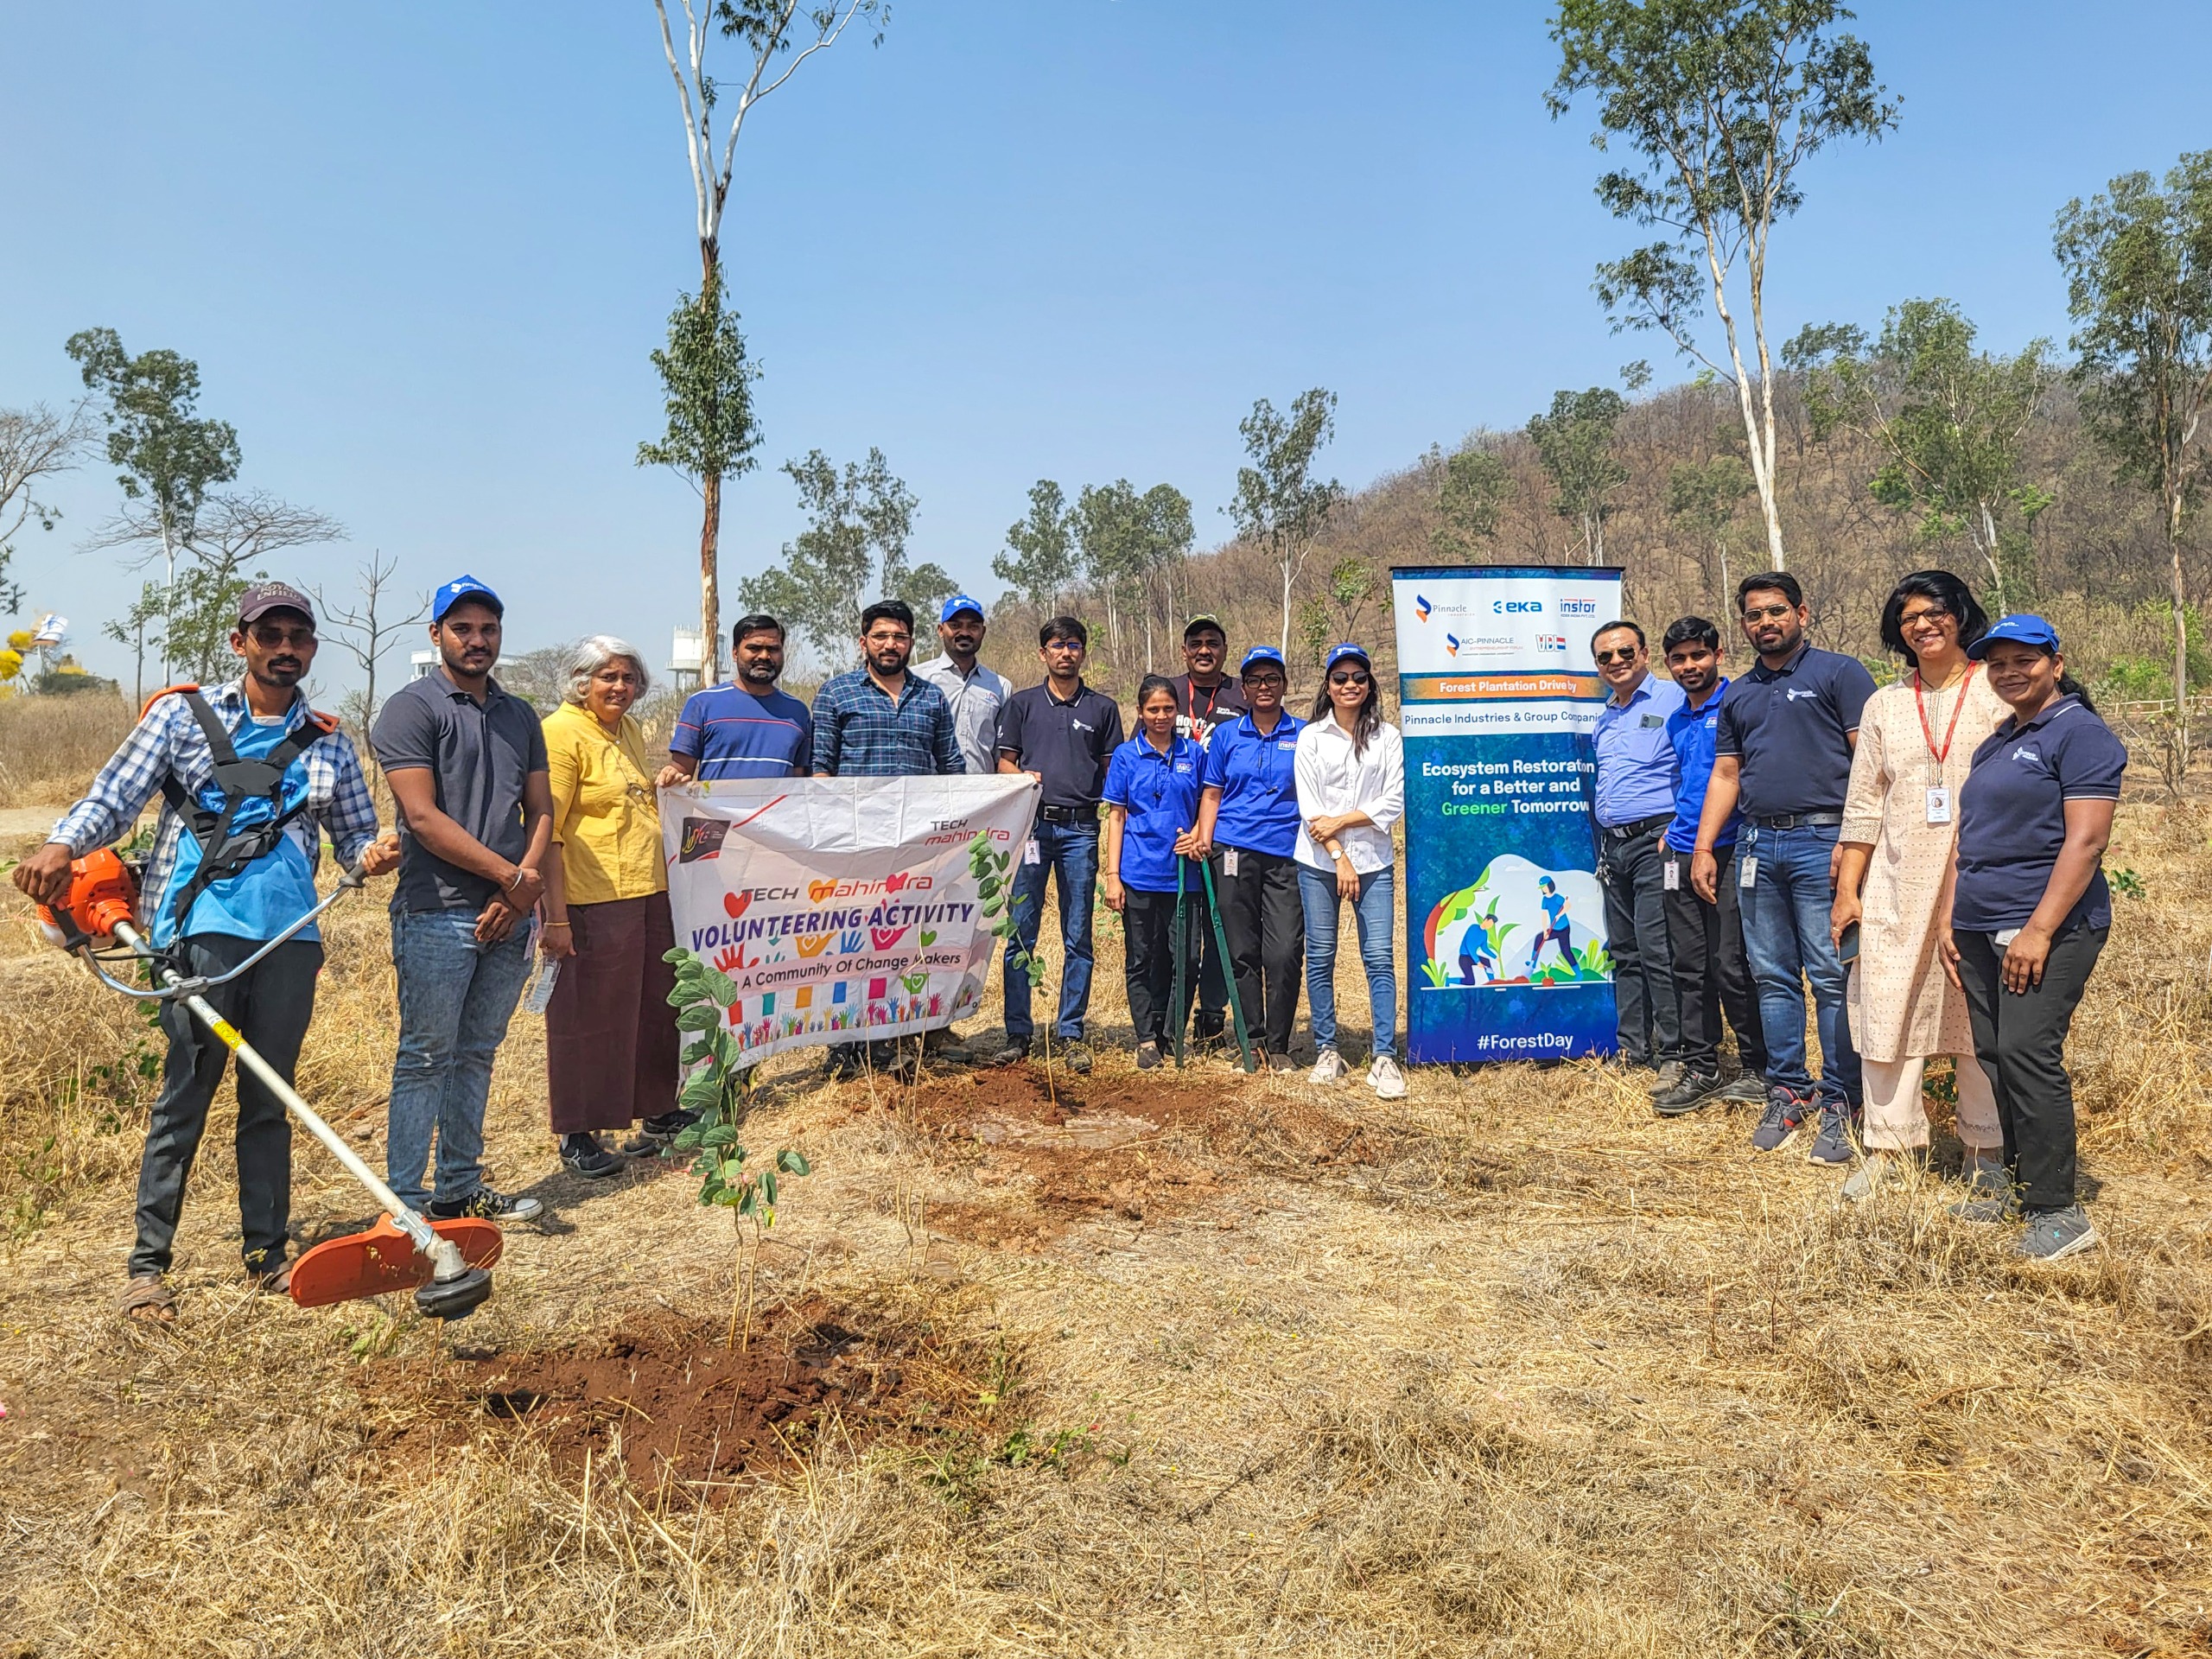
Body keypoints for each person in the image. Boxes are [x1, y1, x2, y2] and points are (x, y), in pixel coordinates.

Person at [14, 582, 396, 1321]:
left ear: (312, 649)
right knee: (186, 1095)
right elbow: (113, 797)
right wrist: (62, 847)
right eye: (270, 634)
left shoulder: (330, 741)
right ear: (240, 642)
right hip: (198, 932)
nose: (285, 648)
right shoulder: (181, 716)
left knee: (270, 1098)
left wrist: (373, 853)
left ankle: (267, 1256)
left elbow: (353, 833)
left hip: (291, 937)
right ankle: (147, 1266)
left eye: (299, 636)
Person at [1939, 616, 2125, 1262]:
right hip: (1980, 922)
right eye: (1998, 663)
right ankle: (2022, 1191)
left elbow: (2087, 841)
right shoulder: (1999, 740)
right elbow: (1971, 835)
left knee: (2027, 1051)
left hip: (2047, 926)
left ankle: (2058, 1211)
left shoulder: (2079, 734)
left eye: (2025, 660)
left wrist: (2039, 930)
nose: (2010, 672)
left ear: (2057, 663)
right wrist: (1950, 919)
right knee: (1994, 1053)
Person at [372, 575, 550, 1224]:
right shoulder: (411, 709)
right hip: (437, 911)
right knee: (425, 1057)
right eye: (463, 629)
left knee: (477, 1053)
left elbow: (541, 812)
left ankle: (458, 1185)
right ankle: (405, 1205)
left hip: (510, 911)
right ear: (436, 634)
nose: (477, 641)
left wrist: (522, 888)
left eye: (488, 630)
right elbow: (422, 819)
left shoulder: (520, 713)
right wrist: (512, 878)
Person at [1830, 573, 2010, 1199]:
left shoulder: (1998, 689)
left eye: (1936, 612)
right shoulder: (1883, 704)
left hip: (1982, 883)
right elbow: (1863, 806)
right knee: (1886, 1010)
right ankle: (1889, 1149)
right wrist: (1848, 890)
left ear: (1961, 616)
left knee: (1975, 1016)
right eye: (1909, 618)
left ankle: (1985, 1149)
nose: (1923, 625)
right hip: (1895, 884)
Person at [1691, 572, 1875, 1166]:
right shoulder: (1739, 694)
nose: (1765, 623)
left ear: (1802, 611)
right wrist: (1703, 847)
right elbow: (1727, 774)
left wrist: (1852, 844)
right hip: (1756, 847)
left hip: (1823, 840)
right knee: (1770, 975)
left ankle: (1842, 1099)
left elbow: (1868, 763)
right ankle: (1788, 1089)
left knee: (1829, 975)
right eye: (1753, 615)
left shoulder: (1839, 674)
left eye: (1776, 611)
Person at [538, 637, 688, 1179]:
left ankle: (658, 1109)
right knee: (588, 1017)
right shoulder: (560, 733)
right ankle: (580, 1132)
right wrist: (554, 916)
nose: (619, 688)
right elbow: (546, 828)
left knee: (655, 1005)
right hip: (587, 898)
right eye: (608, 678)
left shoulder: (623, 728)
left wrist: (663, 783)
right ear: (581, 681)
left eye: (628, 678)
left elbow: (624, 799)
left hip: (647, 890)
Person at [810, 598, 965, 1078]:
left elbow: (952, 768)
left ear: (910, 642)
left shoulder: (931, 698)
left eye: (898, 637)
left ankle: (913, 1030)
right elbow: (821, 773)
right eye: (880, 637)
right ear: (863, 642)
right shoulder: (836, 695)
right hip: (857, 845)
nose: (890, 645)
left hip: (918, 847)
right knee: (852, 941)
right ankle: (848, 1043)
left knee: (911, 936)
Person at [992, 616, 1124, 1074]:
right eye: (1056, 645)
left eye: (1073, 645)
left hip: (1081, 830)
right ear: (1042, 653)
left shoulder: (1103, 709)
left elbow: (1114, 774)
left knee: (1078, 934)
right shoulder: (1022, 705)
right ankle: (1018, 1032)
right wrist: (1022, 777)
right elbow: (1003, 763)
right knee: (1020, 934)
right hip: (1031, 829)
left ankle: (1070, 1032)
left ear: (1083, 652)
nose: (1065, 652)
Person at [1653, 618, 1770, 1115]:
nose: (1689, 666)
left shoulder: (1738, 704)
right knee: (1688, 965)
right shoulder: (1676, 720)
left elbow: (1737, 776)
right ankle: (1701, 1065)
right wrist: (1671, 831)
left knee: (1731, 963)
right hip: (1678, 854)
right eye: (1679, 659)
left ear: (1718, 654)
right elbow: (1686, 782)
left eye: (1697, 655)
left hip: (1729, 850)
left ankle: (1755, 1067)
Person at [1294, 643, 1406, 1100]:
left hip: (1375, 863)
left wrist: (1342, 822)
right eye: (1340, 679)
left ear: (1369, 684)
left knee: (1378, 957)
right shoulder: (1311, 738)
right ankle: (1327, 1049)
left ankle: (1384, 1056)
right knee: (1321, 957)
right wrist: (1340, 855)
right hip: (1319, 862)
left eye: (1358, 677)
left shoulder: (1388, 737)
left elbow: (1393, 803)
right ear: (1328, 686)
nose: (1349, 686)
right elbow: (1310, 812)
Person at [1192, 645, 1306, 1071]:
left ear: (1284, 685)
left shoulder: (1303, 733)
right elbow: (1213, 793)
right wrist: (1205, 838)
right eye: (1254, 680)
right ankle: (1251, 1040)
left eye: (1271, 679)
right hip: (1233, 851)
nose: (1263, 687)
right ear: (1243, 687)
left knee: (1284, 951)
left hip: (1287, 856)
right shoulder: (1226, 735)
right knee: (1240, 950)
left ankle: (1279, 1044)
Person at [1589, 620, 1688, 1084]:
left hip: (1658, 843)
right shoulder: (1605, 716)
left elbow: (1701, 767)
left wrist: (1681, 830)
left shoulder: (1675, 700)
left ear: (1645, 654)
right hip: (1615, 849)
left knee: (1657, 949)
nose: (1616, 662)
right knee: (1624, 951)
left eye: (1624, 652)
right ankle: (1633, 1047)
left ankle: (1675, 1053)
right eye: (1605, 657)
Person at [1102, 676, 1209, 1067]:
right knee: (1142, 957)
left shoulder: (1194, 754)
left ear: (1177, 711)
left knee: (1186, 958)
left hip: (1184, 876)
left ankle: (1172, 1032)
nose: (1161, 716)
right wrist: (1112, 876)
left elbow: (1206, 805)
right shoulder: (1127, 757)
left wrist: (1197, 834)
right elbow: (1116, 817)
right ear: (1140, 712)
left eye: (1168, 709)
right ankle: (1147, 1037)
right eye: (1153, 709)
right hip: (1138, 873)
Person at [1170, 613, 1249, 1046]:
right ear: (1184, 651)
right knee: (1183, 931)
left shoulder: (1242, 694)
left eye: (1213, 642)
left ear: (1224, 649)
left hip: (1226, 830)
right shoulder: (1168, 693)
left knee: (1224, 925)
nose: (1204, 649)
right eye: (1196, 643)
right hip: (1175, 831)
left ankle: (1213, 1015)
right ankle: (1172, 1019)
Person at [658, 613, 811, 785]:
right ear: (735, 652)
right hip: (714, 813)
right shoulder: (702, 705)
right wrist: (671, 775)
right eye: (754, 648)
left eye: (773, 649)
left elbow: (800, 784)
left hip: (779, 812)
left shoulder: (798, 712)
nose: (764, 656)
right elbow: (681, 772)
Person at [918, 594, 1015, 777]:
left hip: (980, 796)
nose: (964, 633)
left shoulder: (1001, 687)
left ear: (983, 632)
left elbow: (1000, 757)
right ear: (940, 630)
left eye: (973, 627)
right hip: (928, 794)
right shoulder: (916, 680)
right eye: (955, 626)